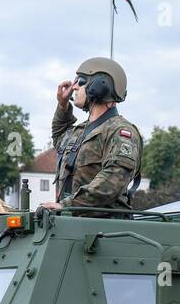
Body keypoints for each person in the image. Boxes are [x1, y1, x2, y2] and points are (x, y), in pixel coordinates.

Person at [40, 57, 143, 215]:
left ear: (99, 86)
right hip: (72, 222)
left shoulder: (120, 132)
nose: (74, 87)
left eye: (80, 81)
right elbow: (60, 138)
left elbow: (112, 182)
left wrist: (67, 205)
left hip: (103, 229)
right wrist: (63, 105)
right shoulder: (79, 132)